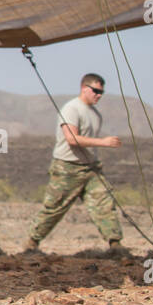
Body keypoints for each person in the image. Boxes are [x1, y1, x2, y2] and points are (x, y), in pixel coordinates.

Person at [26, 73, 124, 253]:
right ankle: (32, 242)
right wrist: (103, 143)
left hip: (90, 168)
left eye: (101, 92)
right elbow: (71, 138)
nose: (99, 95)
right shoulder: (71, 109)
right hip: (67, 167)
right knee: (55, 207)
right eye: (95, 91)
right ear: (84, 88)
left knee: (104, 205)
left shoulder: (95, 114)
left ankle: (115, 245)